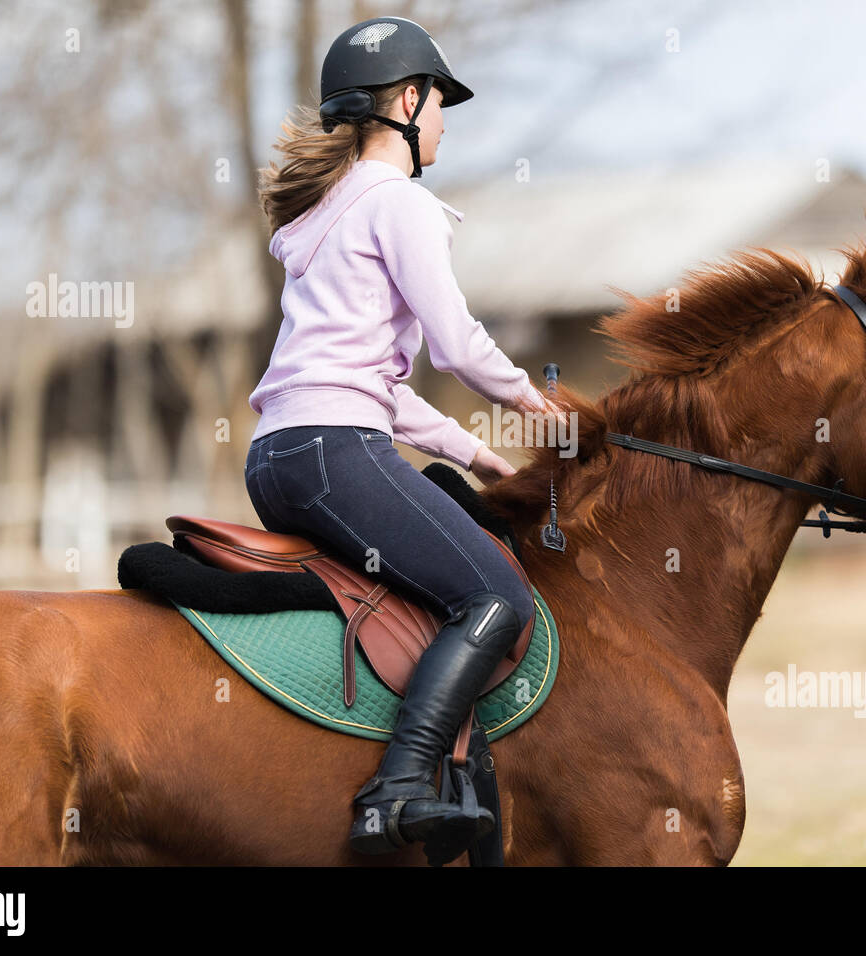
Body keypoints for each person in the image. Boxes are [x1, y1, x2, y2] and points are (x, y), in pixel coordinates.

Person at [245, 15, 562, 862]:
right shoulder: (399, 204)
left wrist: (468, 449)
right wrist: (537, 407)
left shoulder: (325, 216)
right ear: (410, 101)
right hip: (335, 452)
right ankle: (395, 792)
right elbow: (457, 345)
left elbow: (371, 382)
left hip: (278, 458)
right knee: (497, 595)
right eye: (441, 104)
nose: (446, 123)